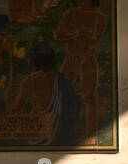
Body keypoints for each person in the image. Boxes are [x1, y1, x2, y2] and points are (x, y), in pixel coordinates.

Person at [7, 43, 83, 147]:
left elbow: (14, 109)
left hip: (40, 139)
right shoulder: (63, 79)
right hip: (63, 137)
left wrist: (8, 95)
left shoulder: (30, 81)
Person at [54, 0, 108, 143]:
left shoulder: (99, 18)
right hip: (70, 59)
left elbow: (93, 40)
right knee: (59, 92)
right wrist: (75, 33)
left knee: (90, 96)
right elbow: (58, 34)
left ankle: (89, 134)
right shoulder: (70, 13)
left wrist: (75, 35)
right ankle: (57, 129)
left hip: (86, 60)